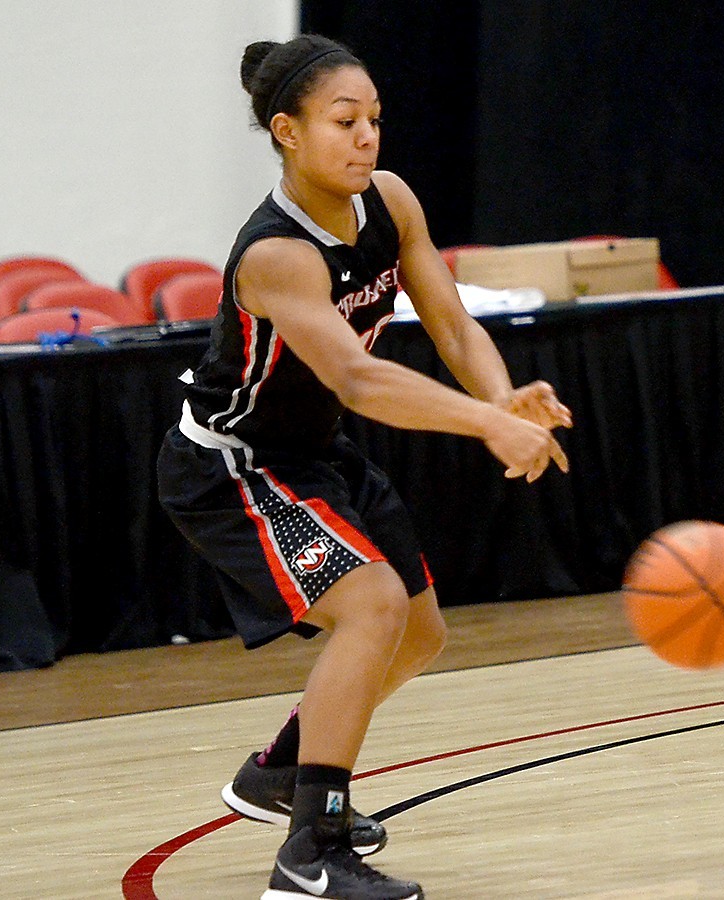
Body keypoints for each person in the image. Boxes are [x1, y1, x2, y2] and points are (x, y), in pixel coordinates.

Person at [156, 35, 570, 900]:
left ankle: (278, 774)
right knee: (373, 606)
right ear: (288, 133)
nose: (366, 138)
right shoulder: (277, 253)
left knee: (419, 633)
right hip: (234, 463)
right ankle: (310, 853)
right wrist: (486, 427)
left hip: (317, 454)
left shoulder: (391, 202)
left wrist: (501, 397)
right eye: (344, 121)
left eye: (375, 120)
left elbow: (453, 327)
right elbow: (359, 376)